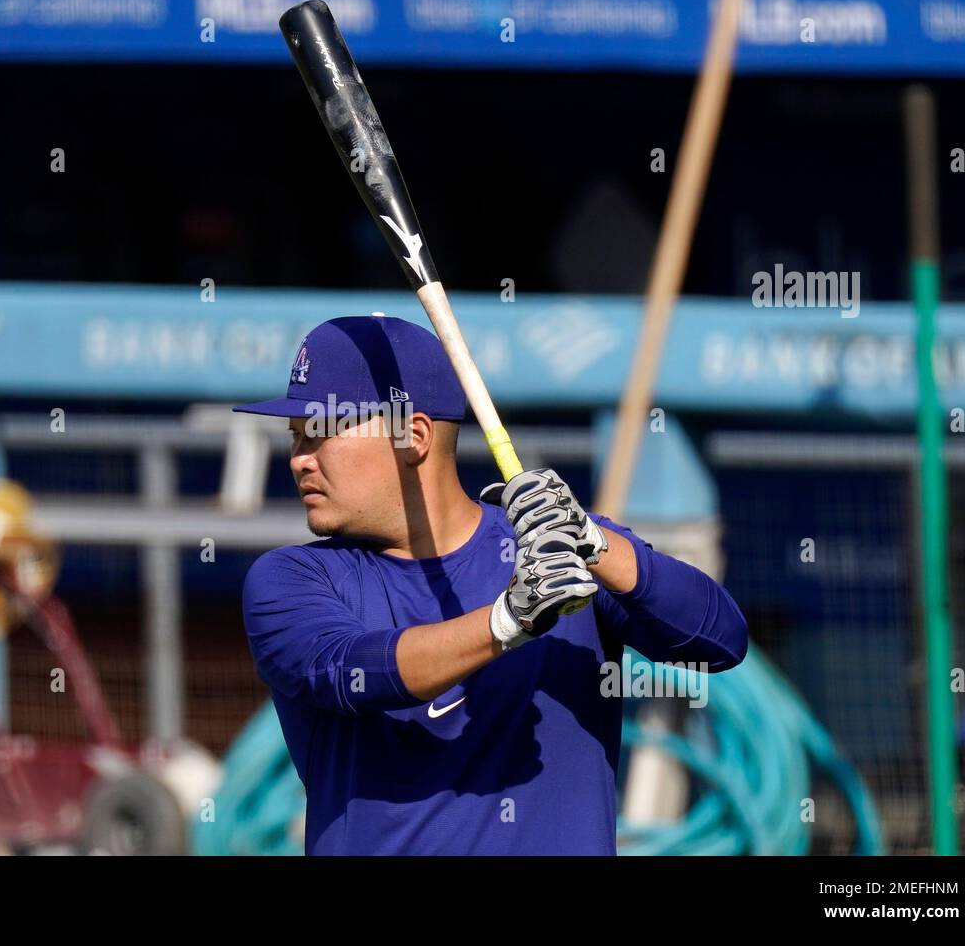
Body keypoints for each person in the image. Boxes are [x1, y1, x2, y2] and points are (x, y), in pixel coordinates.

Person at [233, 314, 748, 854]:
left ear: (414, 435)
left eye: (320, 431)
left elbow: (719, 639)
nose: (299, 461)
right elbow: (349, 670)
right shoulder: (290, 579)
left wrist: (595, 541)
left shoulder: (556, 549)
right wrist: (509, 621)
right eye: (295, 438)